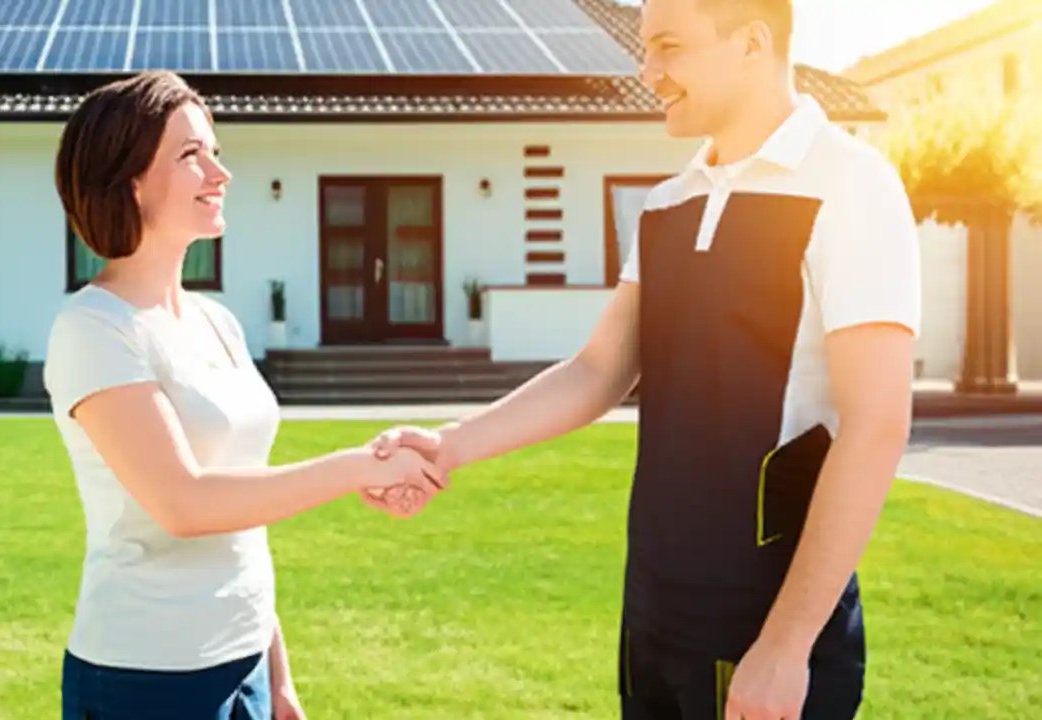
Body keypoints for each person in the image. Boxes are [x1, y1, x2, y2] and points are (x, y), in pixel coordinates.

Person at [369, 1, 921, 718]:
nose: (646, 70)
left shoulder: (850, 186)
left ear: (752, 43)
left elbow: (876, 425)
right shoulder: (668, 202)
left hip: (764, 630)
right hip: (655, 616)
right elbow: (600, 369)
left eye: (668, 47)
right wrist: (451, 445)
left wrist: (785, 646)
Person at [43, 71, 445, 720]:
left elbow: (244, 512)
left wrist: (277, 673)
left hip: (245, 662)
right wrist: (355, 470)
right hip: (147, 680)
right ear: (131, 180)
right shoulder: (93, 328)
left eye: (217, 152)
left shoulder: (218, 323)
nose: (219, 172)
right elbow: (185, 502)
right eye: (191, 154)